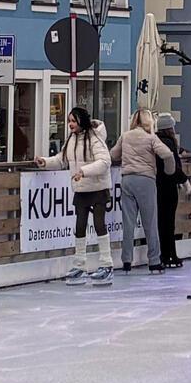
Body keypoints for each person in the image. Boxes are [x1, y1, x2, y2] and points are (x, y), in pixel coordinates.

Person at [43, 107, 114, 286]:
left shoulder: (95, 139)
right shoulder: (71, 139)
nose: (70, 125)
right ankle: (79, 264)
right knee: (79, 225)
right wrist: (45, 162)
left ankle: (107, 264)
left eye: (73, 121)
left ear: (81, 121)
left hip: (98, 187)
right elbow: (62, 159)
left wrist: (83, 171)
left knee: (99, 224)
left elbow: (105, 162)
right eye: (69, 121)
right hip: (81, 189)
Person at [106, 109, 168, 273]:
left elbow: (113, 154)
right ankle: (154, 260)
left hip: (127, 180)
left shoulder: (125, 136)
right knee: (150, 222)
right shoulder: (151, 138)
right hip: (146, 180)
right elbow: (166, 153)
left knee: (128, 223)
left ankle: (126, 260)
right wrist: (169, 170)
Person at [154, 113, 189, 268]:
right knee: (168, 222)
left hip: (156, 184)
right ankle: (170, 254)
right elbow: (173, 164)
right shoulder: (168, 142)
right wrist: (183, 179)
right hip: (168, 186)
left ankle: (164, 254)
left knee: (161, 221)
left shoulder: (155, 140)